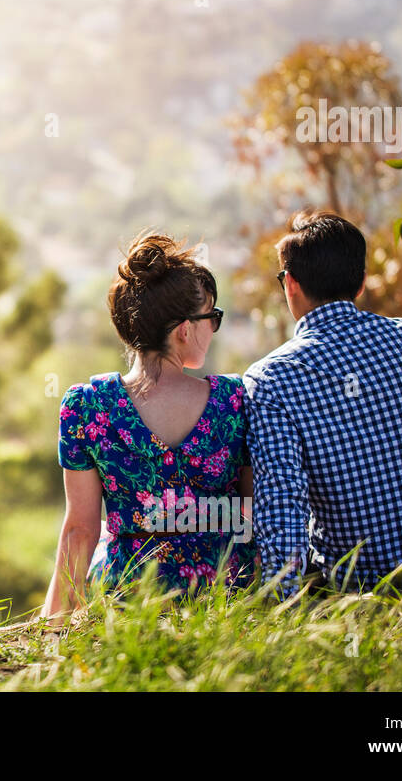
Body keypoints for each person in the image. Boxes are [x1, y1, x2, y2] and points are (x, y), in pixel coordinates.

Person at [244, 209, 402, 597]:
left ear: (290, 285)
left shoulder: (271, 379)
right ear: (361, 283)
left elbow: (282, 507)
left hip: (366, 581)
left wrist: (282, 602)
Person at [41, 232, 255, 621]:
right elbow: (251, 512)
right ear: (184, 330)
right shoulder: (234, 401)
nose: (214, 328)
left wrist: (51, 623)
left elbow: (81, 530)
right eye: (213, 317)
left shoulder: (87, 406)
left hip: (128, 603)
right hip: (225, 601)